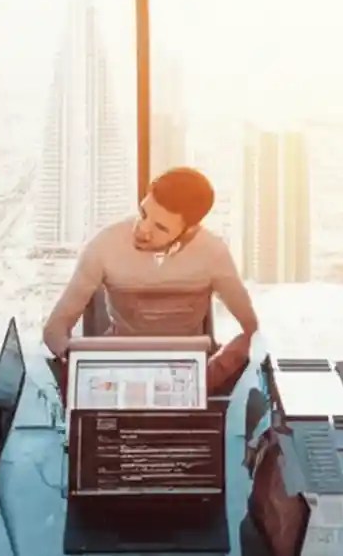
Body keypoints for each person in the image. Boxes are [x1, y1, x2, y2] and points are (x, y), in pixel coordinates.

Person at [42, 167, 259, 390]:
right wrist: (83, 368)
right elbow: (54, 329)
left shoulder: (213, 253)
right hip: (118, 369)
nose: (143, 229)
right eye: (144, 213)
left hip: (189, 373)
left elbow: (254, 331)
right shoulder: (104, 245)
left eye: (161, 227)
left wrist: (214, 373)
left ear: (190, 231)